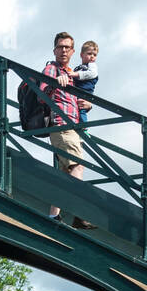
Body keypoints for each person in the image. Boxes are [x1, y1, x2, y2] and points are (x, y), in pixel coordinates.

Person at [40, 32, 94, 218]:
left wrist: (88, 105)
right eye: (60, 47)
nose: (63, 50)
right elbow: (42, 95)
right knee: (78, 166)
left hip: (73, 126)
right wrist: (55, 83)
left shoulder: (73, 74)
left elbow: (77, 99)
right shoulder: (51, 69)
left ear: (72, 51)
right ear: (54, 50)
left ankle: (53, 215)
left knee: (64, 175)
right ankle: (81, 215)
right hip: (61, 125)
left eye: (67, 47)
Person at [73, 40, 98, 125]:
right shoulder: (78, 68)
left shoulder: (92, 66)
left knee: (81, 109)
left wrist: (75, 74)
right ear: (81, 55)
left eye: (94, 55)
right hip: (78, 91)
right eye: (89, 54)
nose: (92, 57)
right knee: (76, 109)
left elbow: (91, 74)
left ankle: (83, 127)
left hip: (85, 92)